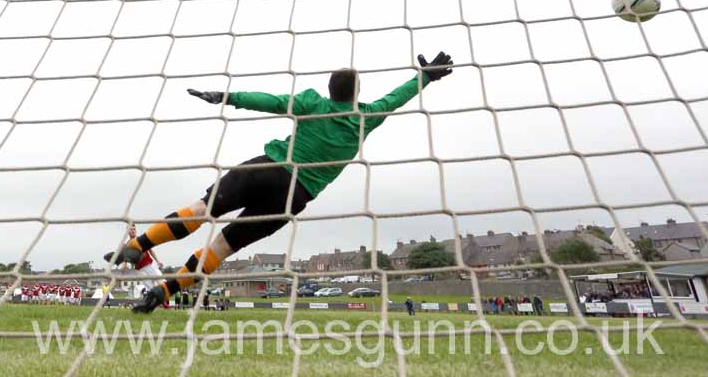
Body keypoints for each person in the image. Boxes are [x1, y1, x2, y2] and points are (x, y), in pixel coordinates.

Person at [104, 53, 453, 313]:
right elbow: (396, 98)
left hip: (267, 167)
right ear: (357, 93)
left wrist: (227, 97)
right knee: (223, 247)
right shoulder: (366, 116)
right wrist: (425, 77)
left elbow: (270, 102)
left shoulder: (311, 102)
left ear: (330, 90)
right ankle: (162, 293)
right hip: (293, 196)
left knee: (202, 209)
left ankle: (141, 244)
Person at [125, 225, 164, 290]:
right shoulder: (128, 244)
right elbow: (126, 257)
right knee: (149, 286)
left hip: (149, 264)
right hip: (140, 269)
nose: (133, 231)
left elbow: (151, 250)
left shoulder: (141, 239)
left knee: (159, 281)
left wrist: (158, 261)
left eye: (134, 229)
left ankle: (165, 297)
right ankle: (155, 298)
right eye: (131, 229)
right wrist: (125, 265)